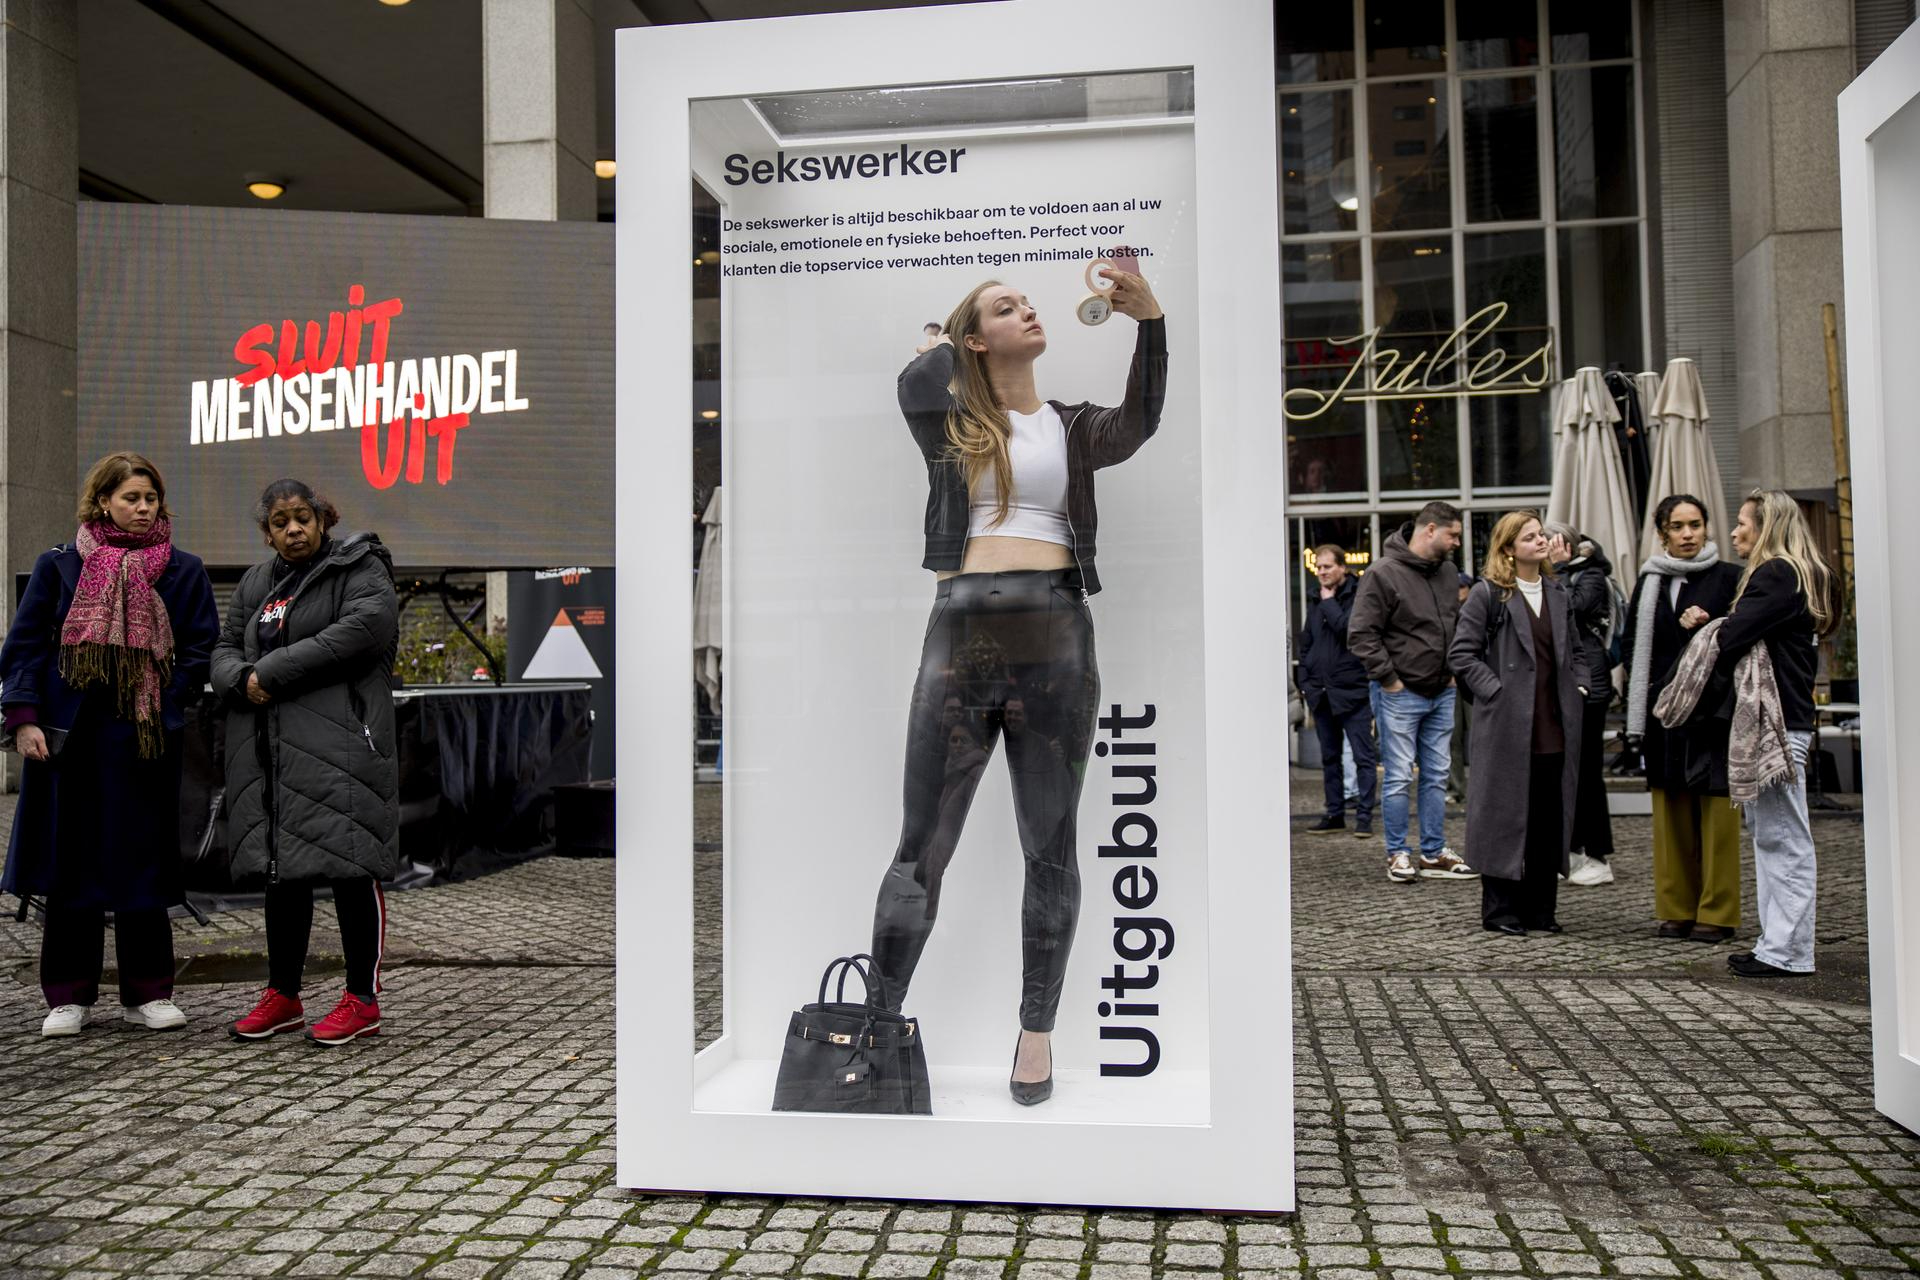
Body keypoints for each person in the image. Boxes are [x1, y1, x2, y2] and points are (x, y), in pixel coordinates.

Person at [871, 269, 1165, 1105]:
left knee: (1050, 845)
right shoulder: (951, 422)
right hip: (961, 628)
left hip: (1055, 628)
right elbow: (913, 384)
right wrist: (942, 348)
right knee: (921, 844)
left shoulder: (1069, 426)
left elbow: (1140, 421)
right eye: (1005, 307)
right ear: (975, 339)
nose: (1028, 309)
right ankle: (878, 1024)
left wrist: (1151, 322)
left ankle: (1037, 1033)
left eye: (1028, 302)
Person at [1, 452, 219, 1036]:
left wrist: (164, 703)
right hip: (69, 741)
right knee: (68, 864)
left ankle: (148, 993)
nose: (144, 508)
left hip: (143, 738)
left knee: (141, 862)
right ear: (103, 501)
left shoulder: (183, 569)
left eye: (151, 498)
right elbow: (25, 646)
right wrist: (23, 719)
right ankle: (68, 997)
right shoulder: (59, 566)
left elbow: (201, 647)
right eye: (131, 498)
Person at [212, 480, 400, 1046]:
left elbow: (362, 631)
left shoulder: (359, 567)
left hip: (343, 746)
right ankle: (284, 996)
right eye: (280, 522)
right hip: (272, 752)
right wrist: (239, 679)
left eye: (302, 518)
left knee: (351, 866)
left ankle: (362, 1000)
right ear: (267, 532)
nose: (293, 529)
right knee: (282, 873)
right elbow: (224, 647)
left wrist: (267, 673)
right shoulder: (256, 582)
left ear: (323, 520)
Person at [1449, 512, 1589, 936]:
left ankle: (1542, 911)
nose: (1541, 541)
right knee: (1503, 817)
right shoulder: (1487, 594)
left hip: (1554, 725)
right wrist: (1495, 691)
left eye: (1541, 534)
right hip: (1506, 727)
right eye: (1529, 537)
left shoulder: (1557, 593)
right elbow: (1462, 655)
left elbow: (1577, 651)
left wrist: (1580, 685)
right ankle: (1501, 912)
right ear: (1508, 548)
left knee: (1547, 820)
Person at [1717, 490, 1834, 978]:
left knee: (1782, 839)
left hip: (1778, 726)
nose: (1735, 531)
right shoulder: (1805, 574)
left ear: (1766, 527)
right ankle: (1776, 945)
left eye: (1743, 523)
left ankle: (1786, 952)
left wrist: (1713, 626)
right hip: (1790, 722)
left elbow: (1731, 637)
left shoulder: (1777, 574)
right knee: (1775, 837)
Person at [1621, 494, 1743, 942]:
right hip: (1662, 714)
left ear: (1707, 527)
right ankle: (1676, 908)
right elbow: (1633, 645)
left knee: (1717, 814)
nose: (1688, 534)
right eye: (1678, 526)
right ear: (1662, 533)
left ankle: (1718, 912)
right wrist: (1645, 698)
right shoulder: (1649, 581)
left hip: (1713, 714)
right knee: (1670, 812)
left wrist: (1712, 623)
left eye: (1695, 524)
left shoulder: (1731, 577)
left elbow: (1744, 637)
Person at [1347, 501, 1476, 884]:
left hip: (1441, 689)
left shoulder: (1447, 572)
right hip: (1399, 692)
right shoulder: (1383, 573)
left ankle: (1433, 852)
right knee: (1400, 775)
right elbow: (1361, 633)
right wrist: (1390, 679)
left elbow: (1453, 624)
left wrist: (1453, 672)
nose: (1457, 543)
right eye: (1453, 535)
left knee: (1437, 774)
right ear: (1430, 529)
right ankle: (1398, 852)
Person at [1545, 523, 1618, 886]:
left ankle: (1598, 855)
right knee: (1567, 773)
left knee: (1587, 772)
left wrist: (1558, 569)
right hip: (1565, 684)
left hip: (1590, 686)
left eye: (1549, 544)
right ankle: (1573, 849)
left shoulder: (1590, 576)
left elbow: (1568, 609)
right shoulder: (1561, 577)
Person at [1296, 544, 1375, 836]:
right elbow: (1307, 642)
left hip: (1352, 691)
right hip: (1321, 693)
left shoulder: (1359, 595)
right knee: (1329, 758)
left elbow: (1349, 631)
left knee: (1362, 757)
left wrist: (1329, 602)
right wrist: (1305, 682)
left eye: (1327, 566)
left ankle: (1364, 817)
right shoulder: (1316, 599)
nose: (1321, 572)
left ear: (1342, 567)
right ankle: (1334, 813)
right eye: (1318, 567)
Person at [1446, 571, 1474, 805]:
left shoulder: (1475, 611)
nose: (1458, 592)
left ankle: (1478, 787)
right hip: (1452, 681)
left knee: (1478, 735)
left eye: (1461, 587)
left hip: (1472, 680)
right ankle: (1457, 788)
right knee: (1453, 738)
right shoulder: (1447, 612)